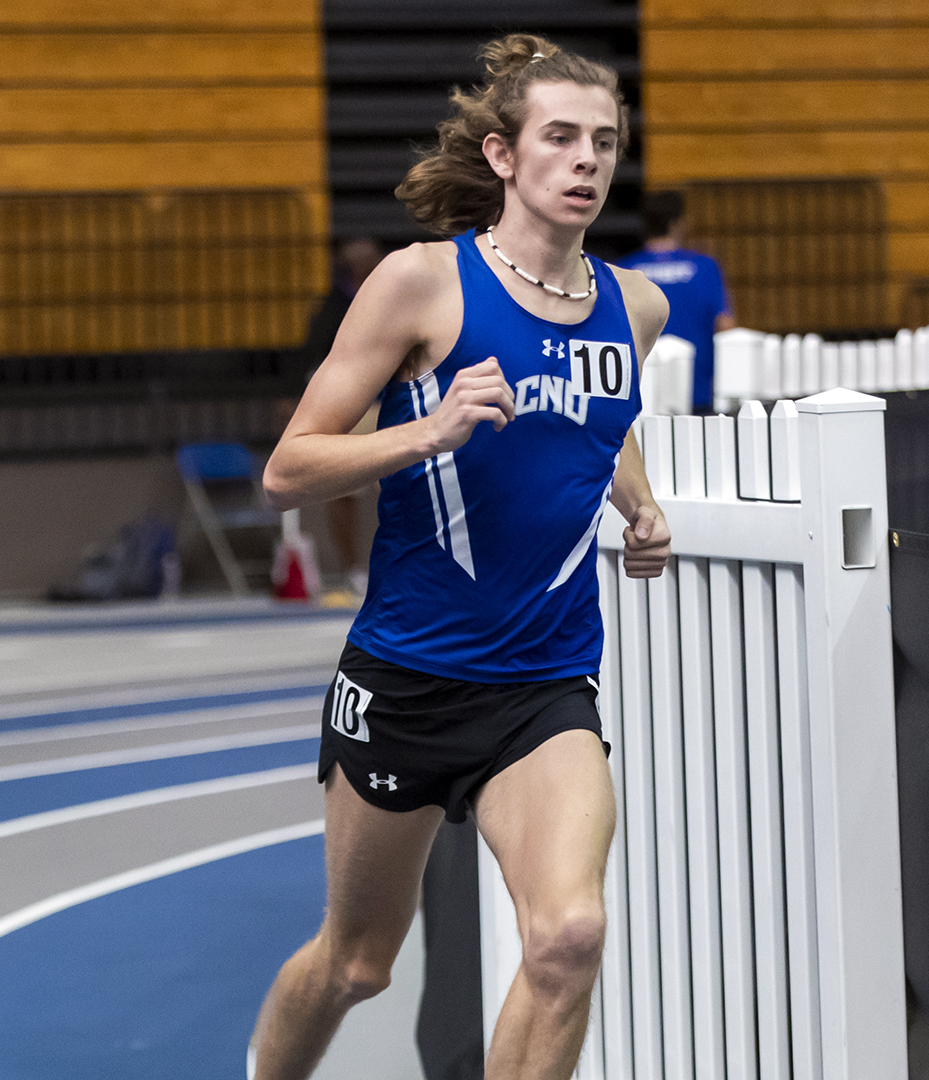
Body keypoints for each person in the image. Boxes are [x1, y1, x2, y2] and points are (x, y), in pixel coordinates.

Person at [251, 32, 671, 1080]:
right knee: (356, 965)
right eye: (561, 138)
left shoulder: (636, 306)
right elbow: (288, 470)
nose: (586, 161)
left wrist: (642, 500)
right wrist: (427, 432)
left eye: (605, 143)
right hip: (407, 679)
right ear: (501, 155)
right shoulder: (421, 285)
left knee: (568, 934)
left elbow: (597, 413)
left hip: (543, 684)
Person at [299, 238, 388, 598]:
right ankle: (353, 569)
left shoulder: (396, 294)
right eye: (362, 262)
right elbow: (313, 355)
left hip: (393, 404)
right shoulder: (332, 307)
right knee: (344, 493)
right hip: (354, 411)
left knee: (412, 487)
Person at [615, 190, 734, 412]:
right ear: (678, 223)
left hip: (641, 392)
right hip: (698, 390)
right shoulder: (704, 267)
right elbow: (725, 326)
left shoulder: (624, 271)